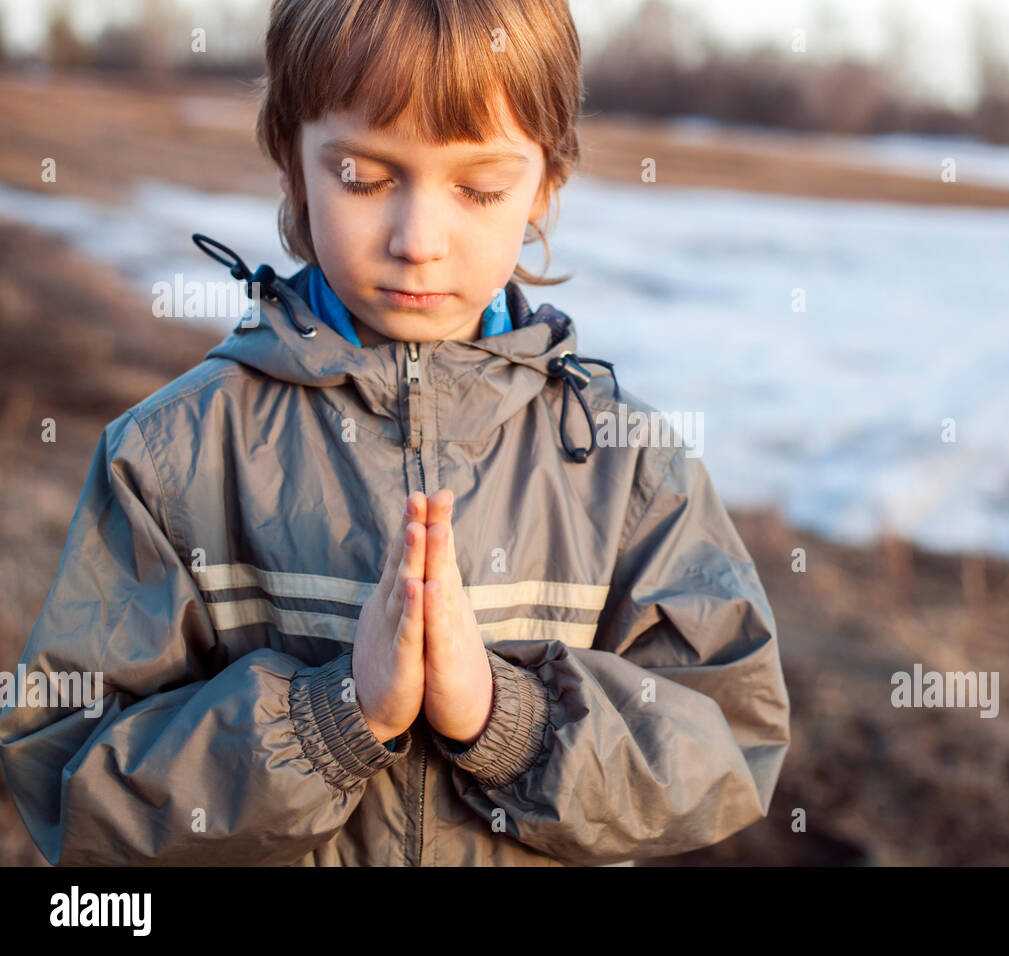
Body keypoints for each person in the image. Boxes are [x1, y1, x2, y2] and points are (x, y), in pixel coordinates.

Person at [0, 0, 790, 866]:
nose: (419, 241)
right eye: (366, 179)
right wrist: (333, 720)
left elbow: (729, 748)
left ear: (545, 186)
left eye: (479, 189)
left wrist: (506, 721)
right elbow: (70, 783)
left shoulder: (631, 466)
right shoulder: (172, 456)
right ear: (293, 165)